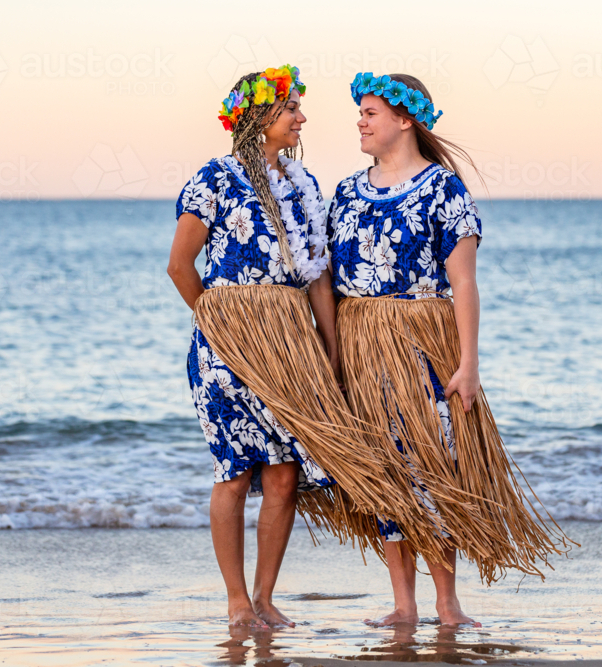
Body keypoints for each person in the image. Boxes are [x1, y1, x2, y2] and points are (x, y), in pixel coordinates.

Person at [327, 72, 572, 628]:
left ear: (405, 119)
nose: (360, 121)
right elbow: (328, 281)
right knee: (385, 470)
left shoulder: (443, 189)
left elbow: (463, 283)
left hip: (424, 345)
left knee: (434, 465)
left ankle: (447, 603)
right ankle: (403, 605)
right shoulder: (345, 191)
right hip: (364, 346)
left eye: (370, 112)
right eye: (360, 113)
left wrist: (468, 365)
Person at [167, 65, 407, 630]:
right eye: (290, 108)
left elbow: (319, 278)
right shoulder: (216, 179)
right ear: (258, 117)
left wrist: (332, 350)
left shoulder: (306, 187)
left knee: (283, 475)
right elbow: (180, 266)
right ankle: (234, 602)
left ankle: (265, 597)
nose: (302, 117)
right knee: (234, 469)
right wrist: (221, 323)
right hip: (229, 344)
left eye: (298, 108)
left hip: (292, 341)